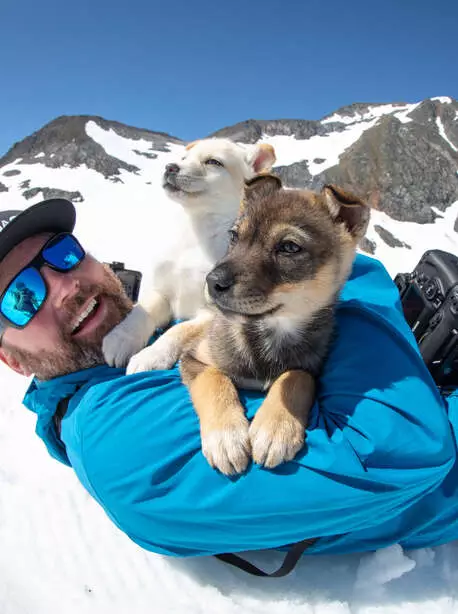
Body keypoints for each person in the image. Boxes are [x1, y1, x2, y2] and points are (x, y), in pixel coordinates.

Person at [0, 198, 458, 570]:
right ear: (11, 360)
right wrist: (347, 274)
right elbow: (405, 445)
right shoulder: (118, 440)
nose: (64, 286)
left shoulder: (145, 328)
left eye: (63, 254)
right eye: (22, 297)